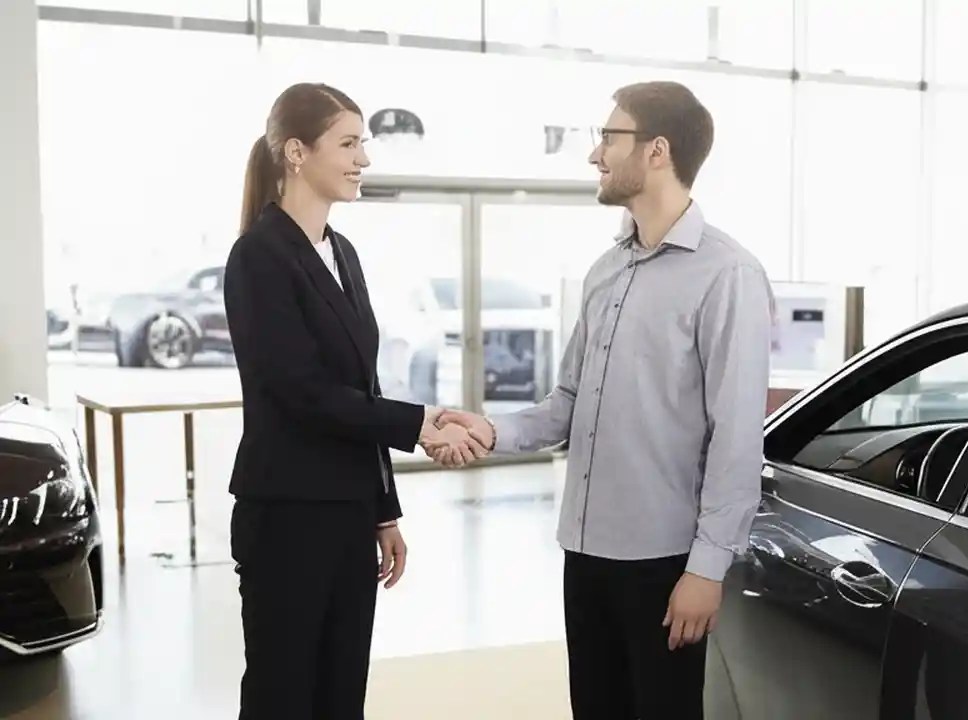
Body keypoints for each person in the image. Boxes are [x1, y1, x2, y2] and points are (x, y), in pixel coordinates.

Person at [434, 81, 774, 719]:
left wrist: (707, 569)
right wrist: (489, 429)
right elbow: (567, 402)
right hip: (585, 552)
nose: (595, 154)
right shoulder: (606, 272)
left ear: (656, 151)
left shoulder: (728, 276)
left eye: (609, 138)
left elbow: (736, 438)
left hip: (664, 561)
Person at [223, 82, 483, 720]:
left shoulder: (342, 253)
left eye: (362, 142)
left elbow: (357, 390)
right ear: (294, 152)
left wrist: (383, 510)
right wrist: (421, 423)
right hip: (286, 517)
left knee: (341, 693)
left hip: (343, 513)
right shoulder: (258, 256)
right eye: (347, 143)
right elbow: (305, 395)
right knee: (283, 696)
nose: (363, 158)